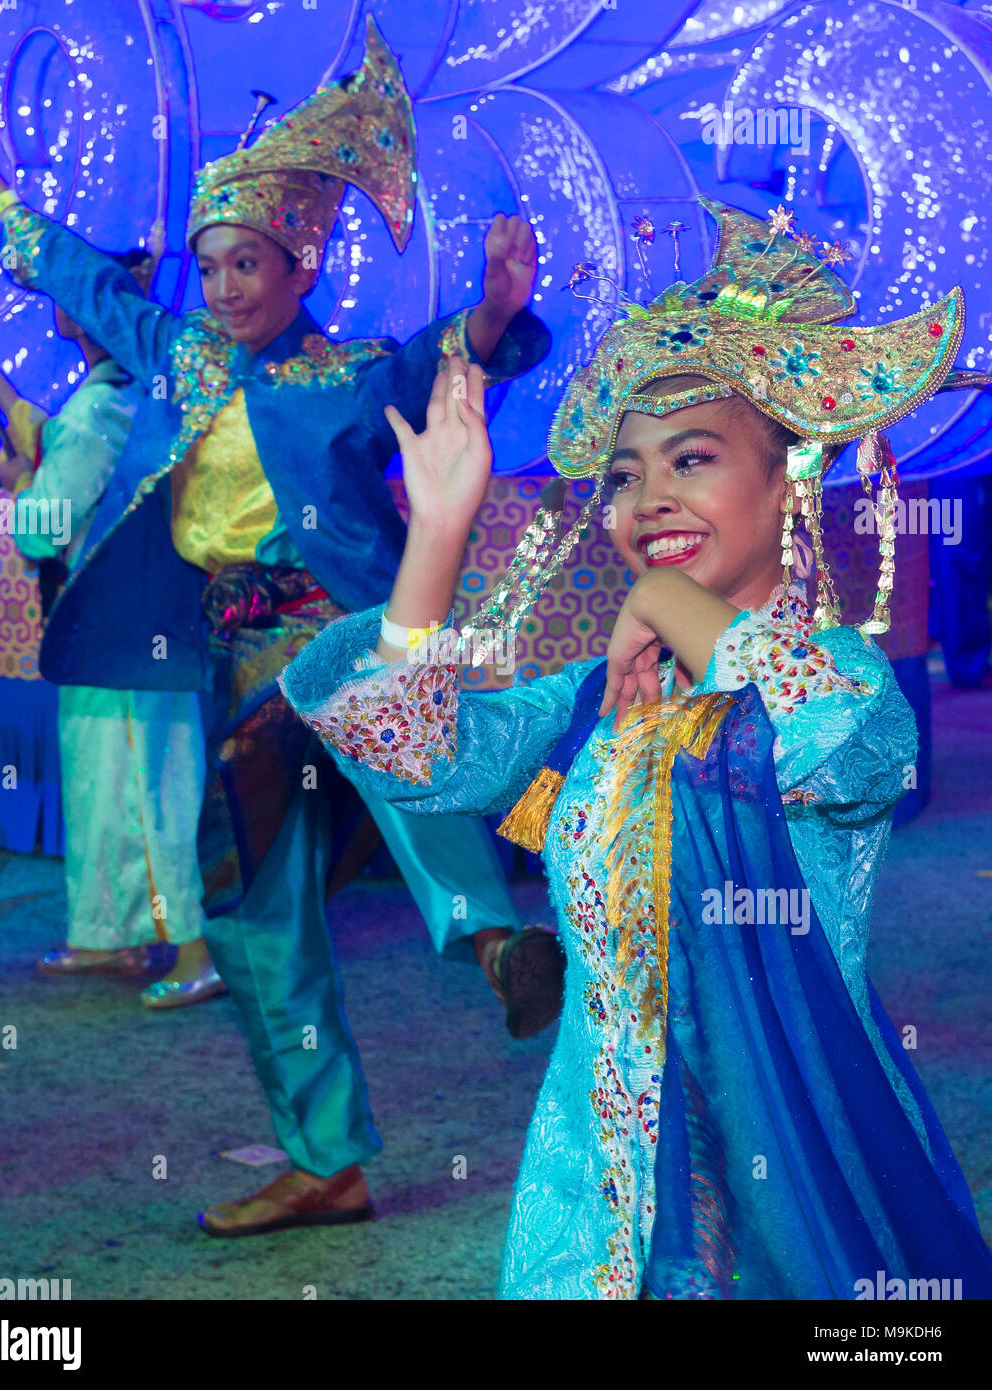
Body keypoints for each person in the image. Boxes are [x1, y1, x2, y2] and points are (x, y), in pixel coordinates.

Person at [283, 198, 992, 1297]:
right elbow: (406, 751)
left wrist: (664, 593)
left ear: (786, 482)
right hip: (591, 1203)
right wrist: (433, 536)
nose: (646, 498)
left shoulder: (843, 684)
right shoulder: (596, 705)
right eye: (623, 475)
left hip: (787, 1199)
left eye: (692, 459)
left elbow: (829, 747)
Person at [0, 17, 560, 1232]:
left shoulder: (343, 374)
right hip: (230, 655)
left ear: (299, 274)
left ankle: (493, 937)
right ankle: (325, 1157)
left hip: (343, 633)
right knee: (249, 908)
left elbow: (454, 356)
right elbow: (80, 279)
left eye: (250, 267)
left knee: (381, 737)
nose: (226, 287)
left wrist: (492, 312)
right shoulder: (179, 359)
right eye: (213, 265)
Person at [0, 259, 221, 1003]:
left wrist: (18, 491)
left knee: (146, 784)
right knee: (112, 782)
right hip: (135, 625)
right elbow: (43, 429)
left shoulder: (98, 413)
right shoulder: (132, 395)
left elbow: (46, 527)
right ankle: (110, 935)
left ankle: (194, 948)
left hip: (117, 631)